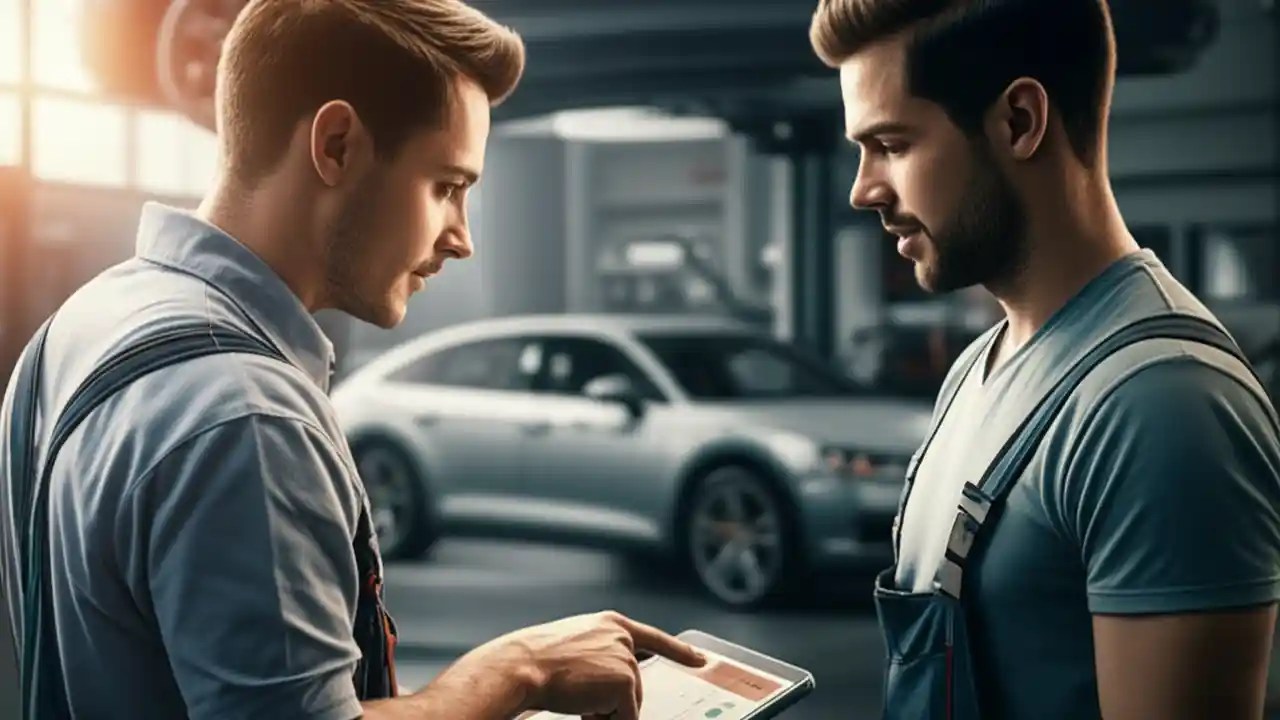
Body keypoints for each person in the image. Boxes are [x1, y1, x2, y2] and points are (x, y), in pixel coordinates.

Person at [0, 1, 708, 719]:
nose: (462, 238)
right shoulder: (247, 417)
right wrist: (515, 673)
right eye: (448, 186)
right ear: (336, 145)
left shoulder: (73, 331)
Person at [808, 1, 1280, 719]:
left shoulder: (1163, 407)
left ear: (1020, 121)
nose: (863, 188)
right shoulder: (977, 367)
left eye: (893, 145)